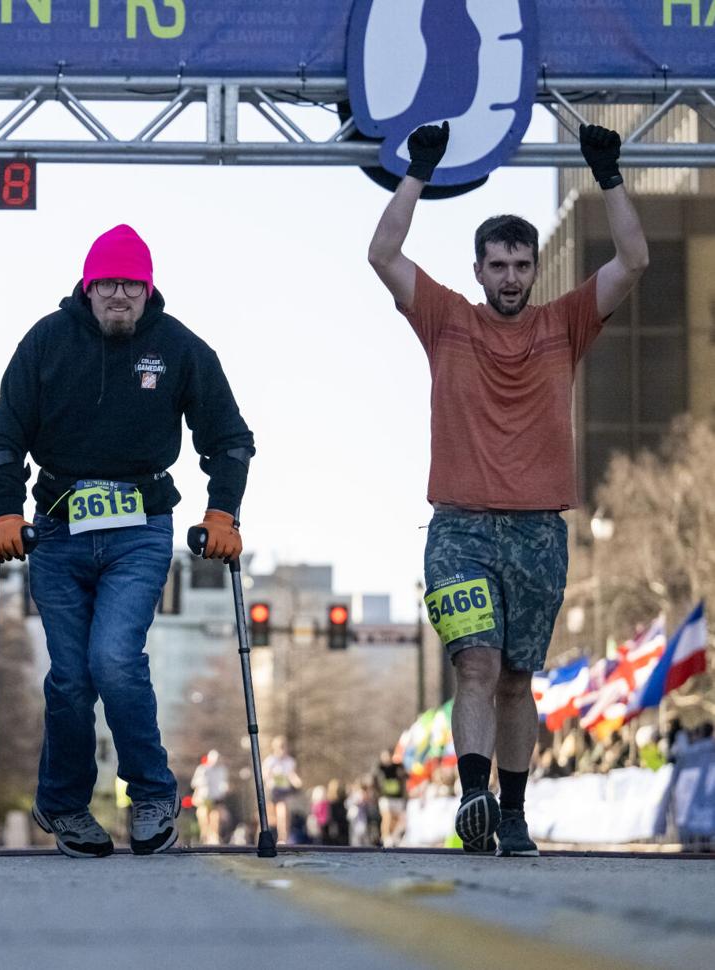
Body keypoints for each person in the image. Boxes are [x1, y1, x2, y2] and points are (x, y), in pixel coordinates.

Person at [367, 122, 649, 857]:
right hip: (458, 526)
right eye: (498, 265)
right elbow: (382, 254)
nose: (512, 277)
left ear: (533, 270)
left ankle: (514, 813)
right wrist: (418, 172)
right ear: (479, 269)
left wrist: (606, 174)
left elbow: (634, 259)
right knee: (475, 661)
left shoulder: (565, 325)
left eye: (522, 265)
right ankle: (471, 796)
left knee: (518, 677)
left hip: (537, 531)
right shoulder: (445, 320)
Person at [0, 224, 255, 858]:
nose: (119, 297)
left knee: (113, 660)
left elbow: (229, 438)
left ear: (148, 288)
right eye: (108, 283)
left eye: (132, 285)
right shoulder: (45, 343)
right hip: (57, 526)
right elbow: (3, 438)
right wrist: (1, 513)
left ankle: (155, 794)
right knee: (71, 677)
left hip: (140, 527)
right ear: (88, 284)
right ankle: (65, 804)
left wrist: (223, 512)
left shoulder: (181, 348)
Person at [261, 734, 301, 843]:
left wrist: (297, 781)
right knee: (271, 819)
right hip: (272, 791)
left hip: (283, 792)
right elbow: (265, 775)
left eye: (284, 747)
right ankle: (264, 837)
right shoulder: (270, 761)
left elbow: (292, 775)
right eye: (280, 747)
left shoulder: (290, 761)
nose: (282, 750)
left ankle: (283, 838)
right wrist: (271, 776)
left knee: (283, 813)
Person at [374, 749, 408, 848]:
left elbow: (405, 776)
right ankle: (385, 837)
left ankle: (393, 838)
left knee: (397, 819)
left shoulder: (398, 767)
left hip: (397, 797)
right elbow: (374, 780)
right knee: (387, 816)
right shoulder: (379, 768)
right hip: (385, 797)